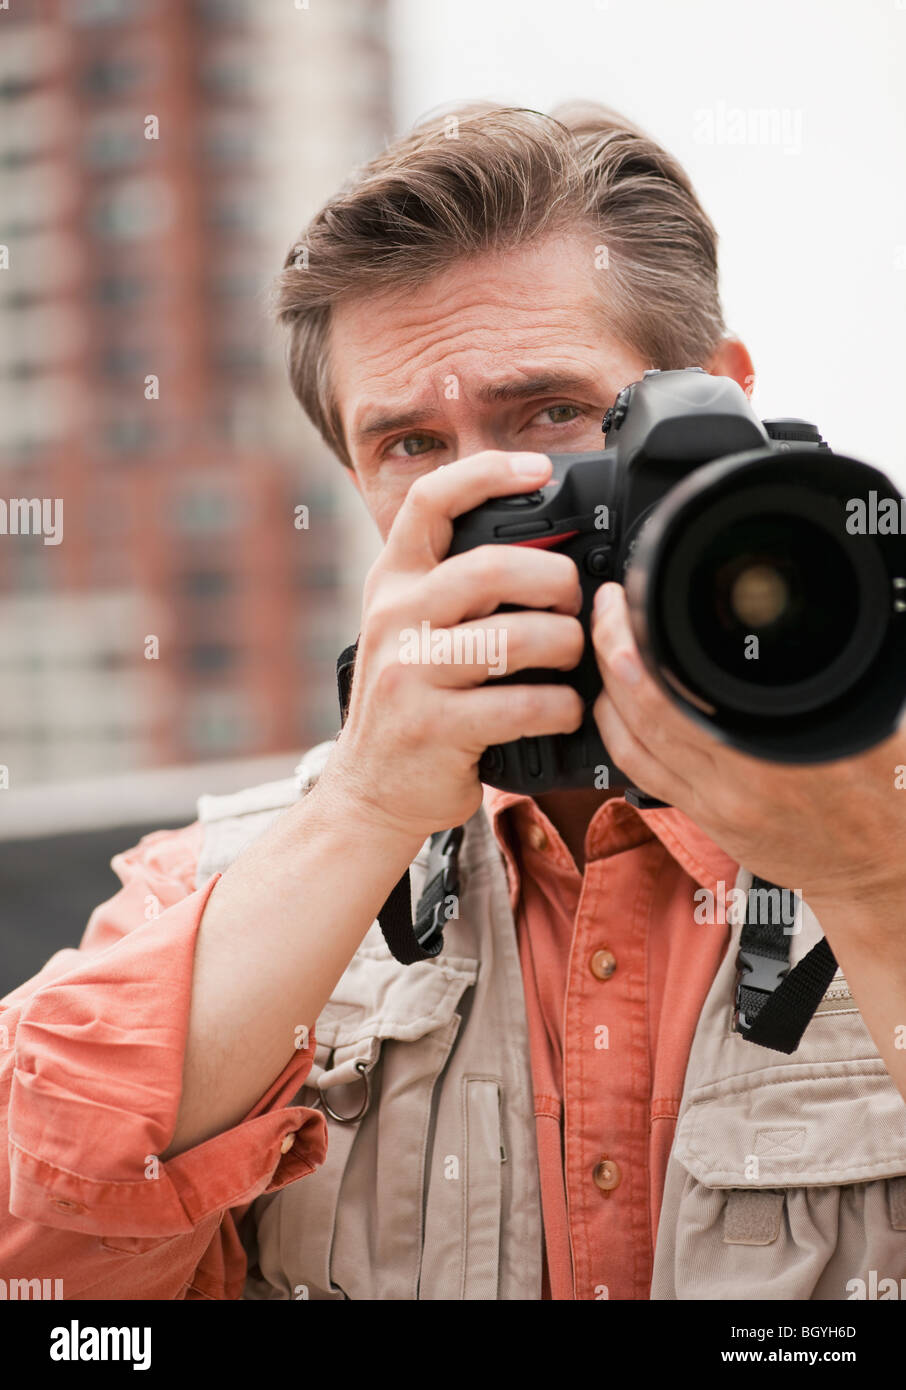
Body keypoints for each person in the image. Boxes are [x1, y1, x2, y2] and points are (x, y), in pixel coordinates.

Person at [2, 101, 906, 1302]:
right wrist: (361, 812)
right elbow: (44, 1266)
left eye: (552, 413)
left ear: (726, 406)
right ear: (356, 481)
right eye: (414, 445)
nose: (494, 493)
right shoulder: (225, 888)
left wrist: (872, 880)